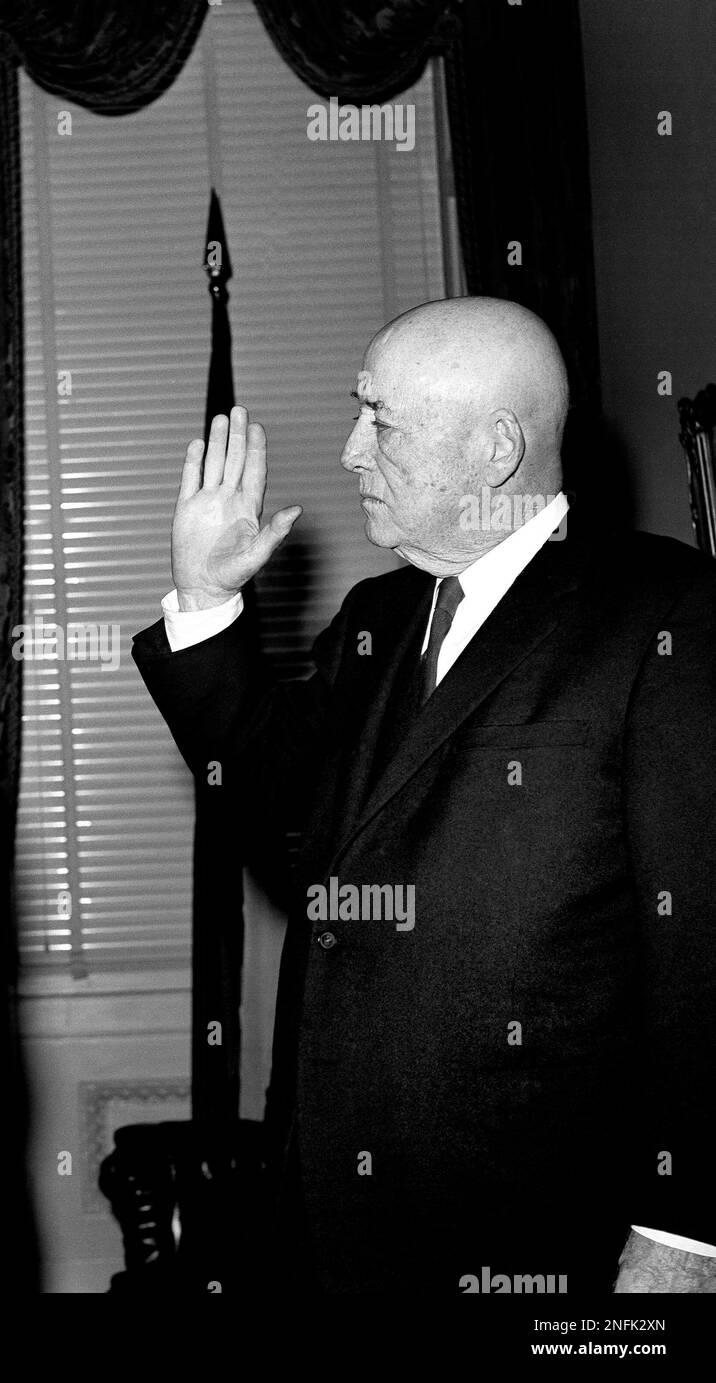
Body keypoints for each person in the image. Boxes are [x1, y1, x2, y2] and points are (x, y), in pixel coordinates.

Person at [133, 297, 716, 1293]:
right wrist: (205, 600)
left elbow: (703, 948)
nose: (353, 450)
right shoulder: (376, 616)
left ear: (496, 448)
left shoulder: (664, 615)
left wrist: (684, 1232)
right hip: (337, 1225)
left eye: (381, 422)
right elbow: (287, 831)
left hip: (552, 1237)